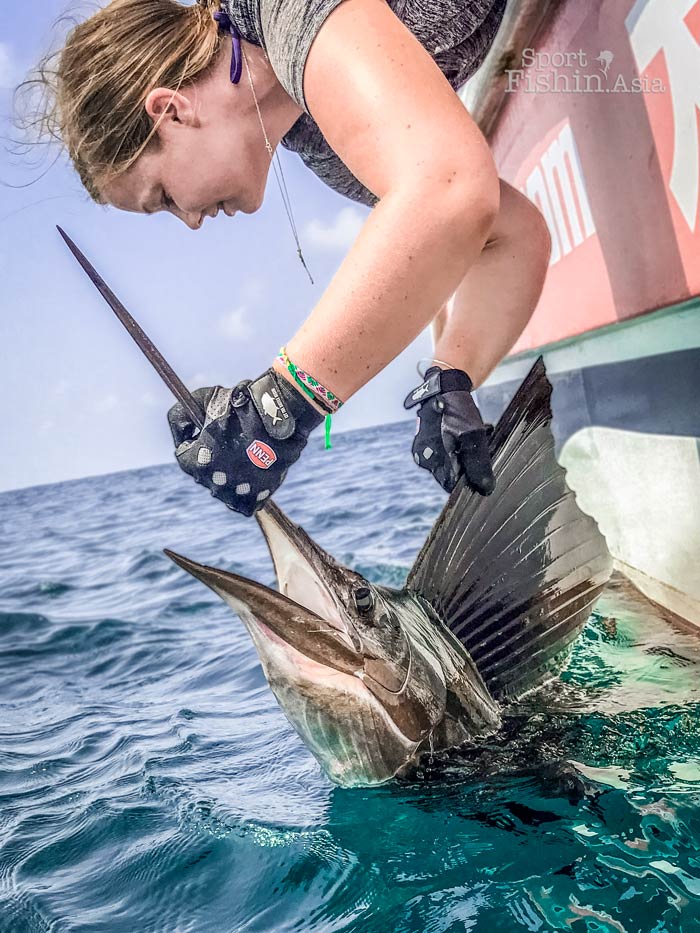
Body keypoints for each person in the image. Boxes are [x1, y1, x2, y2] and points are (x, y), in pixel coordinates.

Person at [28, 0, 551, 516]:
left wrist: (279, 406)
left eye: (163, 196)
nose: (188, 220)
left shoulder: (281, 9)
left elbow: (450, 185)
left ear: (172, 110)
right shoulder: (330, 152)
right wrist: (452, 377)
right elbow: (510, 236)